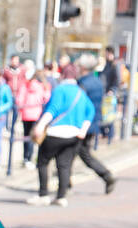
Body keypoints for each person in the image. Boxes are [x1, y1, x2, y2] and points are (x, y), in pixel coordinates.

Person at [28, 74, 93, 208]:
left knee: (42, 163)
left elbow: (53, 109)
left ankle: (43, 195)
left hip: (55, 132)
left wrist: (40, 126)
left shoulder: (59, 90)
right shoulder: (81, 92)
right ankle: (61, 197)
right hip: (74, 134)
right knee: (64, 165)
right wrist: (84, 129)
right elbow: (90, 110)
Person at [74, 54, 116, 194]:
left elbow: (79, 105)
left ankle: (106, 175)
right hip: (93, 123)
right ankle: (65, 184)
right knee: (78, 153)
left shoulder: (83, 83)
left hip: (82, 125)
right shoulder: (98, 81)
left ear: (83, 68)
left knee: (80, 154)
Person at [15, 61, 49, 167]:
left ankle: (26, 158)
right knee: (36, 137)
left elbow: (19, 99)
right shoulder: (42, 86)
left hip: (26, 114)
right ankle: (34, 158)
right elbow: (46, 98)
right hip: (37, 113)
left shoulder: (25, 85)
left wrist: (20, 111)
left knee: (26, 136)